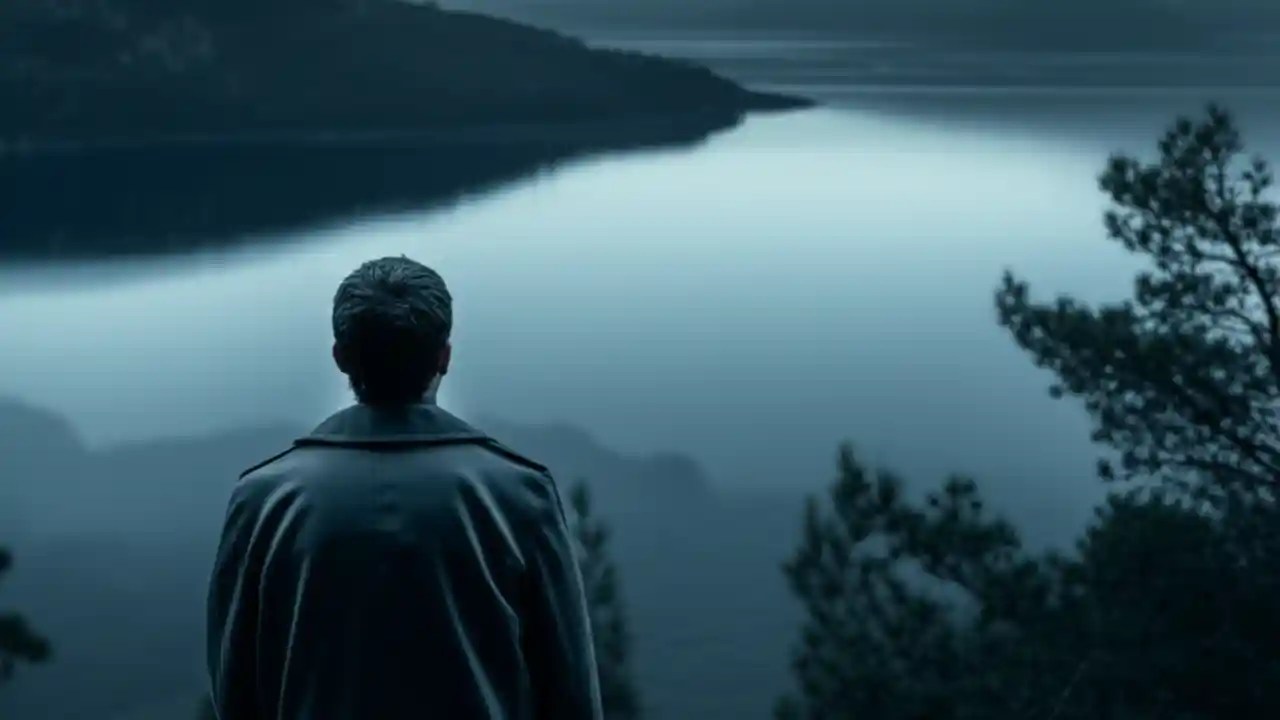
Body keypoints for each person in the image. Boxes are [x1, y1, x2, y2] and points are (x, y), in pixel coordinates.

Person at [206, 256, 603, 720]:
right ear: (444, 356)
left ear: (340, 356)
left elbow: (235, 692)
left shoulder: (263, 501)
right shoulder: (519, 495)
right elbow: (570, 694)